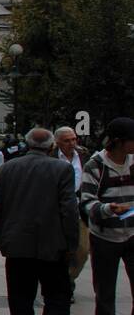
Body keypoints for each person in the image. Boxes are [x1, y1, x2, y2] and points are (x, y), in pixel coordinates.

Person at [0, 128, 78, 315]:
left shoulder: (7, 169)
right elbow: (69, 210)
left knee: (20, 300)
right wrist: (72, 244)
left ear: (26, 145)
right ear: (51, 147)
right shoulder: (62, 169)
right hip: (53, 246)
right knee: (59, 297)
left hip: (17, 246)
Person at [78, 117, 134, 315]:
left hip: (132, 234)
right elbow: (86, 201)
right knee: (105, 294)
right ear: (120, 142)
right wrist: (108, 208)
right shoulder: (96, 165)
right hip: (104, 237)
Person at [54, 126, 90, 298]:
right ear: (58, 142)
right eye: (67, 140)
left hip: (78, 209)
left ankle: (68, 279)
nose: (72, 143)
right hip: (55, 209)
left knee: (82, 250)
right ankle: (59, 283)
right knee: (56, 249)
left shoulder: (83, 156)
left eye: (74, 139)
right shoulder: (51, 157)